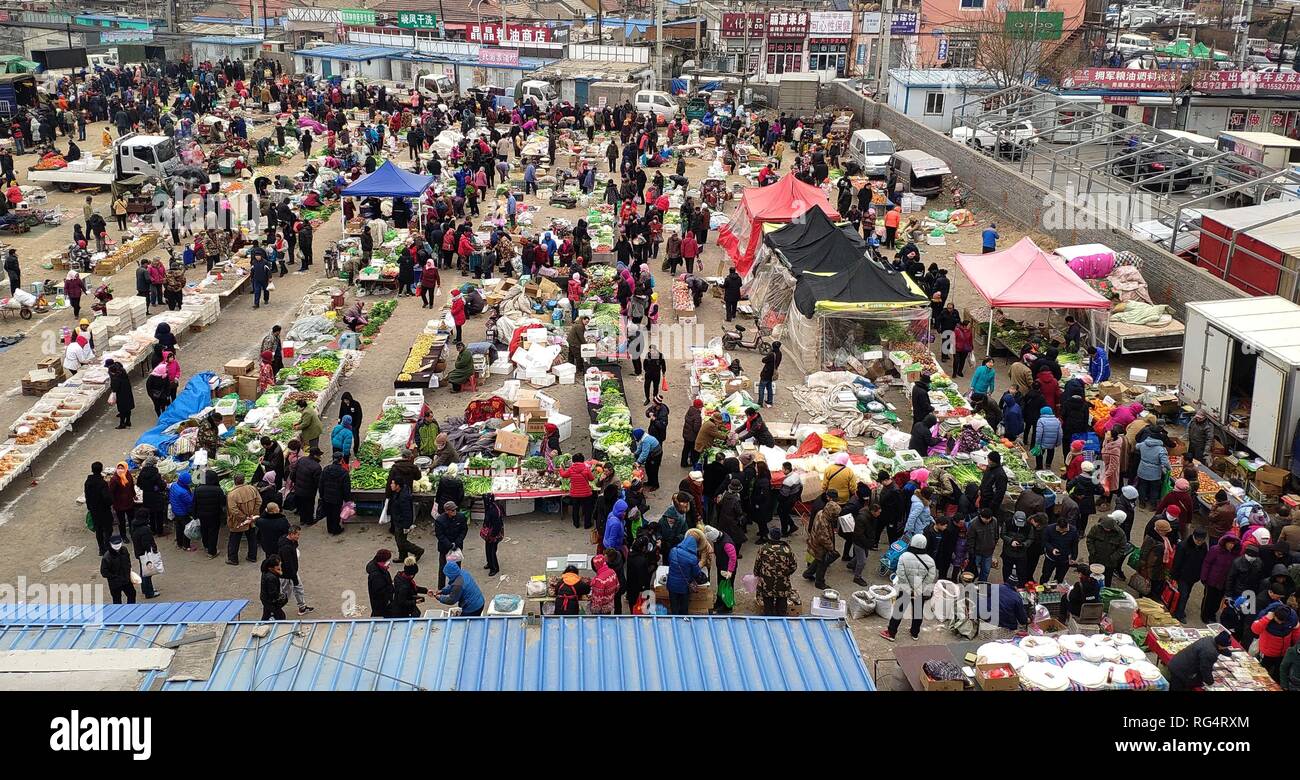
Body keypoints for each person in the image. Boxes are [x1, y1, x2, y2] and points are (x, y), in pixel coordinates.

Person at [881, 534, 937, 641]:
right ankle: (915, 633)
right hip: (919, 591)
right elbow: (930, 578)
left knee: (899, 611)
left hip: (904, 589)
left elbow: (900, 574)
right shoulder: (930, 561)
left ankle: (891, 633)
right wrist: (918, 590)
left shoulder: (904, 556)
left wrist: (908, 589)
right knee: (918, 612)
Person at [1167, 631, 1234, 691]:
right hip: (1180, 670)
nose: (1226, 648)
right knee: (1177, 687)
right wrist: (1210, 682)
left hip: (1178, 661)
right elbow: (1205, 669)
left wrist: (1229, 654)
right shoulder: (1210, 652)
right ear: (1220, 645)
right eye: (1226, 646)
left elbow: (1220, 648)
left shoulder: (1209, 639)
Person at [753, 527, 797, 616]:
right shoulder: (787, 550)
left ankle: (769, 617)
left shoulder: (763, 548)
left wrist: (757, 574)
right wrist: (785, 574)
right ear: (780, 537)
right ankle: (781, 618)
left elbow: (757, 564)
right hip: (782, 583)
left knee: (768, 604)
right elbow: (793, 566)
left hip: (767, 582)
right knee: (782, 606)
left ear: (770, 536)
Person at [1252, 604, 1300, 681]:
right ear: (1274, 615)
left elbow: (1296, 634)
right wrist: (1267, 618)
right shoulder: (1266, 615)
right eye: (1278, 620)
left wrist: (1296, 646)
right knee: (1261, 675)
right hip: (1267, 653)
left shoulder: (1292, 619)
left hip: (1283, 653)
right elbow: (1255, 630)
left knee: (1278, 675)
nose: (1280, 623)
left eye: (1282, 621)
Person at [666, 534, 708, 615]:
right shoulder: (693, 558)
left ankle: (674, 619)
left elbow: (670, 562)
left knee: (674, 607)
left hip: (671, 585)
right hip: (684, 587)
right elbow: (696, 573)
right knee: (683, 609)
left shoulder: (673, 551)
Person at [803, 498, 839, 590]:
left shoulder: (821, 513)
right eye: (835, 515)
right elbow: (824, 539)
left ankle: (808, 573)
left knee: (818, 560)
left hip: (814, 541)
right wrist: (831, 548)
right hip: (820, 546)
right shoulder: (823, 523)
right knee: (822, 564)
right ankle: (819, 582)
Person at [225, 474, 261, 565]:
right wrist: (253, 514)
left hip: (238, 521)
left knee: (234, 539)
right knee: (252, 538)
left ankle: (233, 559)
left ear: (234, 481)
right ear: (244, 480)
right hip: (251, 519)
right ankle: (252, 556)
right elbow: (259, 501)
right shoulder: (252, 489)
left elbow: (233, 510)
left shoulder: (232, 494)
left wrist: (244, 517)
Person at [434, 501, 468, 589]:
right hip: (444, 548)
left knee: (457, 568)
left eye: (455, 509)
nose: (454, 511)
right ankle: (441, 588)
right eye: (452, 510)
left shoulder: (461, 517)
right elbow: (440, 535)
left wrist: (457, 543)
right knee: (443, 568)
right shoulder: (439, 520)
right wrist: (449, 545)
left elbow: (464, 530)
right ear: (446, 511)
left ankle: (456, 587)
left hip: (457, 547)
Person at [559, 453, 596, 529]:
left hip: (575, 494)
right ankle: (587, 524)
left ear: (573, 460)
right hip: (586, 493)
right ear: (582, 460)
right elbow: (591, 479)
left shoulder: (571, 469)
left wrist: (560, 469)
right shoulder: (586, 469)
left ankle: (576, 524)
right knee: (587, 509)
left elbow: (563, 475)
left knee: (575, 509)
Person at [1134, 432, 1170, 509]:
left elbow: (1136, 446)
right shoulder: (1161, 449)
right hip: (1155, 473)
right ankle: (1152, 505)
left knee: (1142, 486)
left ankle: (1142, 503)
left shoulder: (1143, 444)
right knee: (1154, 489)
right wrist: (1169, 468)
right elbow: (1165, 462)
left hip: (1142, 469)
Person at [129, 508, 160, 600]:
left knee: (144, 571)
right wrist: (152, 550)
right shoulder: (145, 529)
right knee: (148, 573)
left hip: (139, 552)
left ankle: (145, 589)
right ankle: (149, 592)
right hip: (145, 554)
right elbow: (146, 543)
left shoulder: (134, 526)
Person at [100, 535, 136, 605]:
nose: (117, 546)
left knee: (132, 594)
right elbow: (104, 572)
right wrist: (115, 577)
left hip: (126, 580)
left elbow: (128, 561)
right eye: (115, 544)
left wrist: (129, 571)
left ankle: (129, 609)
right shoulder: (107, 557)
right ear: (110, 544)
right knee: (117, 600)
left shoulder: (124, 550)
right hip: (115, 583)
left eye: (118, 543)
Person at [292, 447, 322, 528]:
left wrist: (295, 482)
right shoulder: (316, 467)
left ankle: (302, 520)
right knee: (309, 506)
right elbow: (317, 481)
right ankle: (309, 520)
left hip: (298, 488)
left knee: (301, 505)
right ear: (315, 455)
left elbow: (293, 473)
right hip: (309, 491)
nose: (320, 457)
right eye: (319, 455)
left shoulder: (301, 460)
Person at [366, 549, 395, 618]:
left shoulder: (380, 568)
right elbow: (381, 591)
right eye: (387, 561)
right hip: (382, 604)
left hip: (382, 603)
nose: (389, 563)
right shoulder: (376, 575)